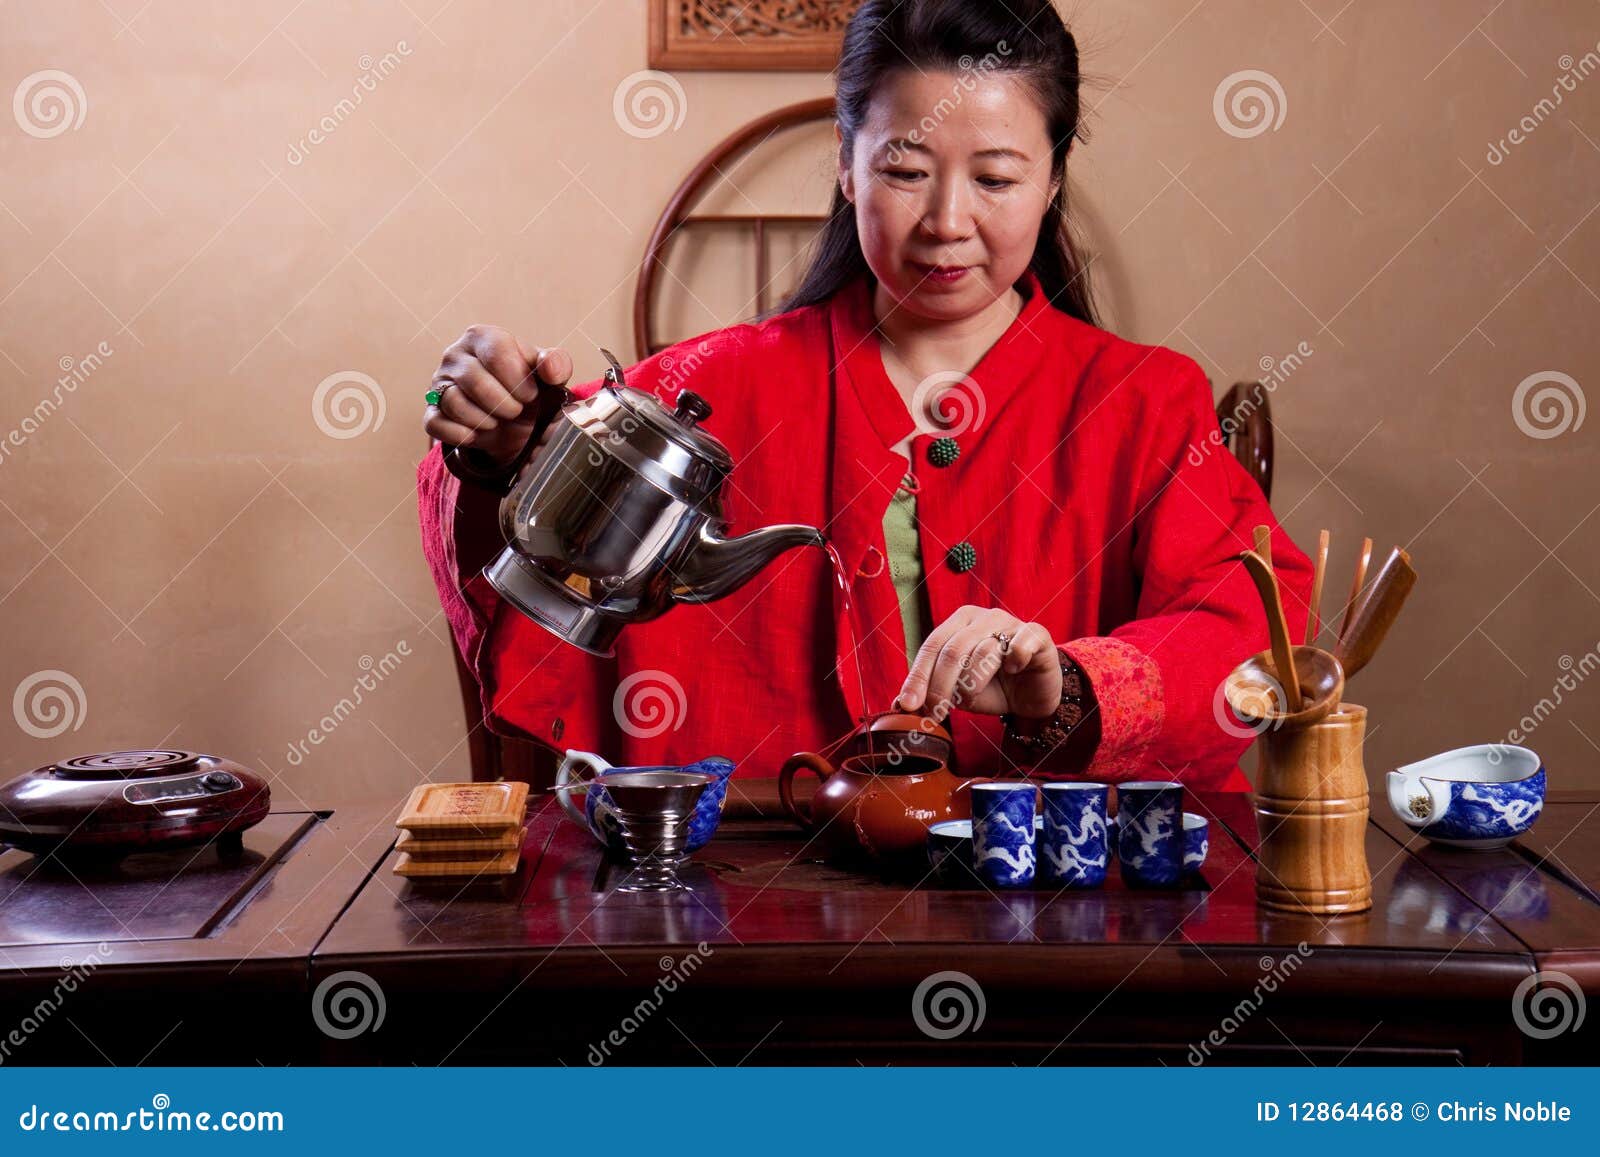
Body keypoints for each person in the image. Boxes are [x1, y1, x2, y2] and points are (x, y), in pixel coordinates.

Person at [416, 0, 1314, 791]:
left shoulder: (1145, 400)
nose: (948, 222)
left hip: (1057, 897)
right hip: (755, 899)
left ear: (1052, 181)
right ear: (846, 165)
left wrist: (1067, 685)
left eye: (996, 178)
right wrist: (502, 442)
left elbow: (1247, 636)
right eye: (905, 170)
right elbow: (546, 540)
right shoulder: (706, 386)